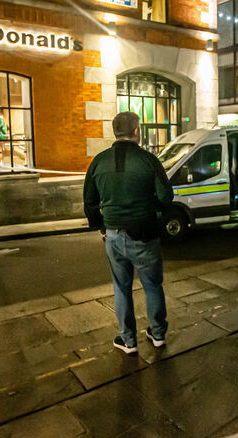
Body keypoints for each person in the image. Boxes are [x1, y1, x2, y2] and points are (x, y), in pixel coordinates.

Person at [83, 111, 174, 354]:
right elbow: (166, 197)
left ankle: (128, 339)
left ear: (116, 132)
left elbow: (89, 202)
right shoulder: (148, 160)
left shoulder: (99, 162)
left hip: (112, 233)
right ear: (136, 132)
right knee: (153, 285)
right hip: (144, 232)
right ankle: (157, 334)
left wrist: (101, 225)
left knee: (121, 286)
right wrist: (154, 212)